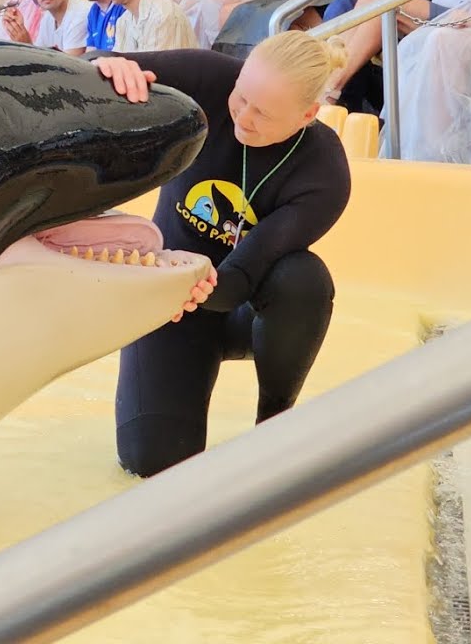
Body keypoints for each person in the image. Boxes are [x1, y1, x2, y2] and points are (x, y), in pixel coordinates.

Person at [89, 31, 351, 477]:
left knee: (302, 279)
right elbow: (90, 63)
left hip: (240, 304)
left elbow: (240, 278)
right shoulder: (209, 78)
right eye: (241, 96)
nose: (242, 117)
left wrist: (190, 282)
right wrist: (111, 66)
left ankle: (274, 420)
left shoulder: (323, 175)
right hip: (168, 307)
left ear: (309, 114)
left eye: (263, 113)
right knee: (154, 464)